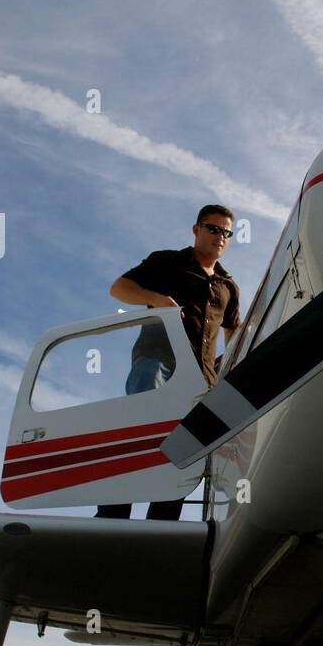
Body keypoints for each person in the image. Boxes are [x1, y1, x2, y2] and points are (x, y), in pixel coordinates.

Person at [95, 204, 241, 520]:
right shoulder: (166, 262)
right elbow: (119, 288)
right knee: (139, 431)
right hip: (157, 361)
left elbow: (233, 330)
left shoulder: (229, 287)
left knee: (183, 450)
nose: (220, 237)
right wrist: (158, 299)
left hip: (200, 381)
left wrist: (229, 369)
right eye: (213, 229)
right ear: (196, 230)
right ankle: (113, 515)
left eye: (226, 233)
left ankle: (160, 524)